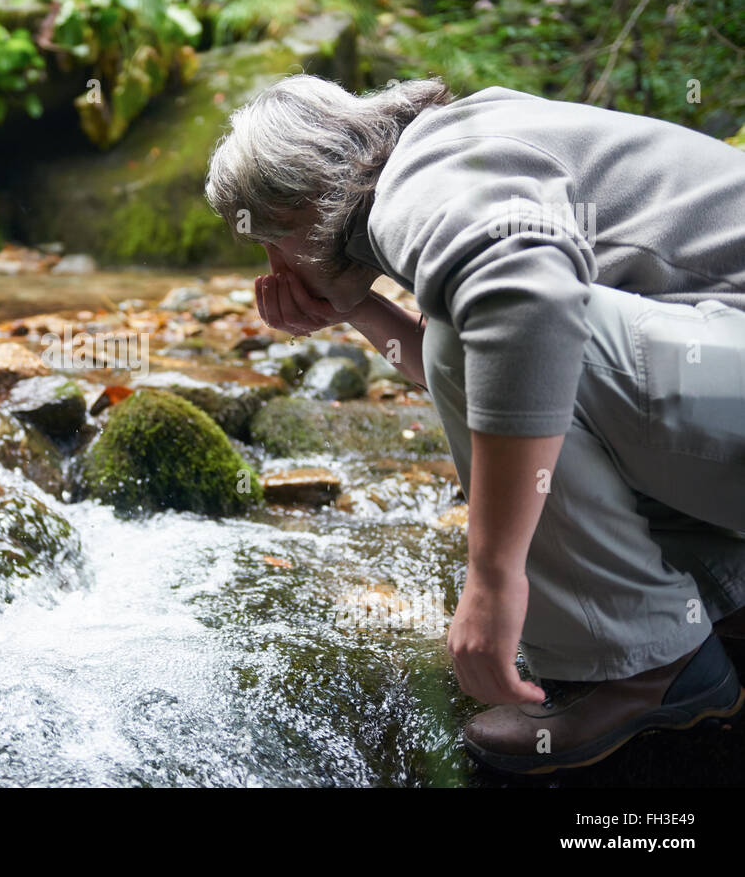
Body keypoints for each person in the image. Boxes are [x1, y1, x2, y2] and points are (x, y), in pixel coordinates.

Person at [205, 74, 745, 774]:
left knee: (480, 333)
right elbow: (505, 387)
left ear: (300, 200)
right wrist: (357, 307)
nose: (276, 267)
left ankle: (636, 664)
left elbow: (527, 314)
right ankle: (719, 601)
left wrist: (492, 578)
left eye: (270, 242)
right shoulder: (460, 145)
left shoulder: (424, 176)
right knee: (479, 347)